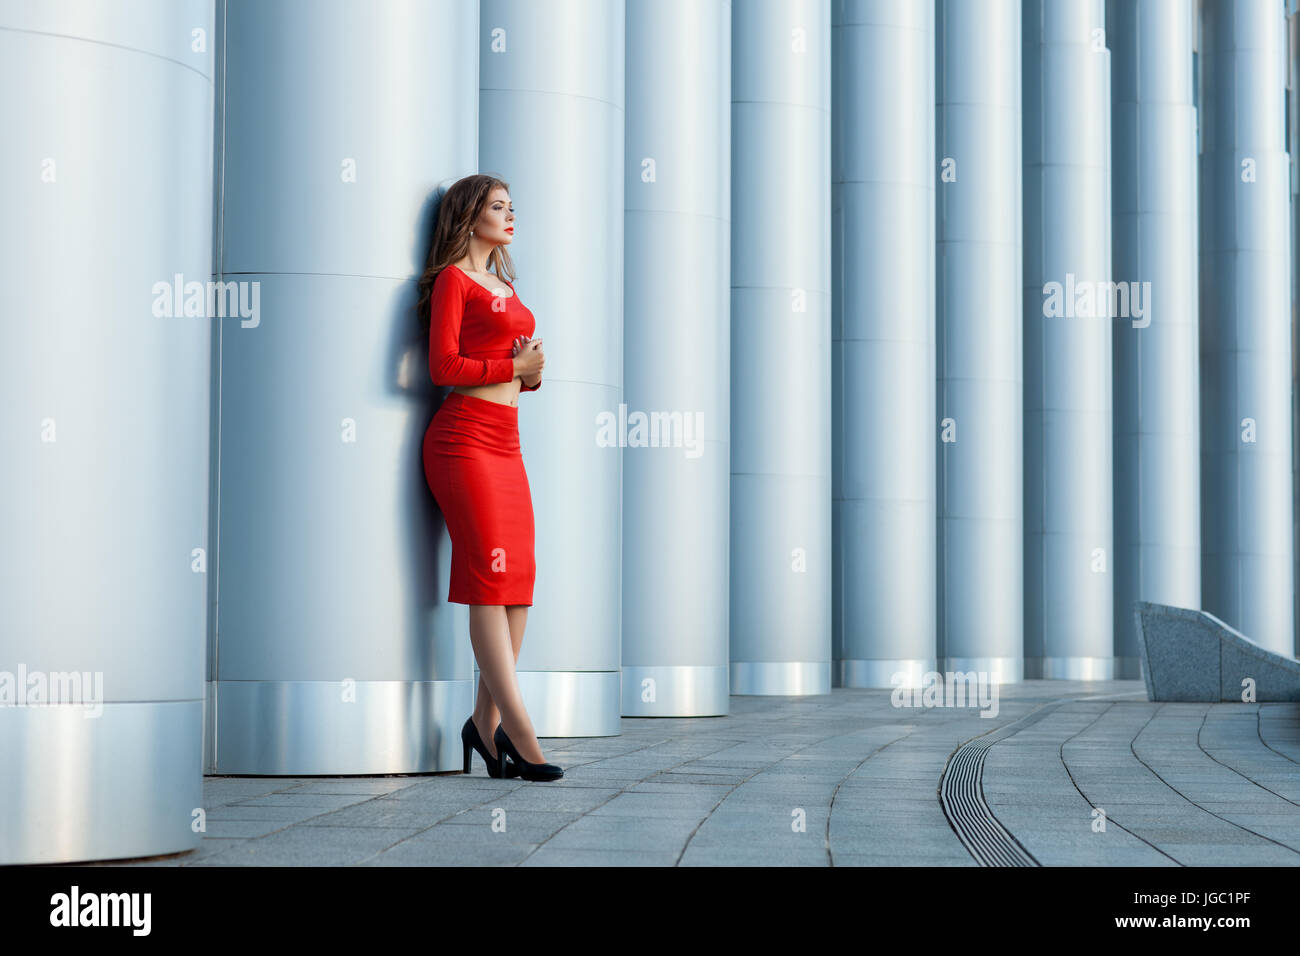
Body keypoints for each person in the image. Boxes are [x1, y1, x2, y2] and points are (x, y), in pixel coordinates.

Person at [415, 174, 562, 782]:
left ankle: (483, 723)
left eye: (511, 206)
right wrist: (514, 364)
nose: (509, 216)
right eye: (497, 206)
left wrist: (529, 373)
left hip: (507, 440)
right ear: (468, 215)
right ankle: (521, 734)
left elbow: (514, 369)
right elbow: (441, 365)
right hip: (463, 440)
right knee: (489, 581)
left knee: (519, 580)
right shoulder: (455, 280)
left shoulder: (504, 283)